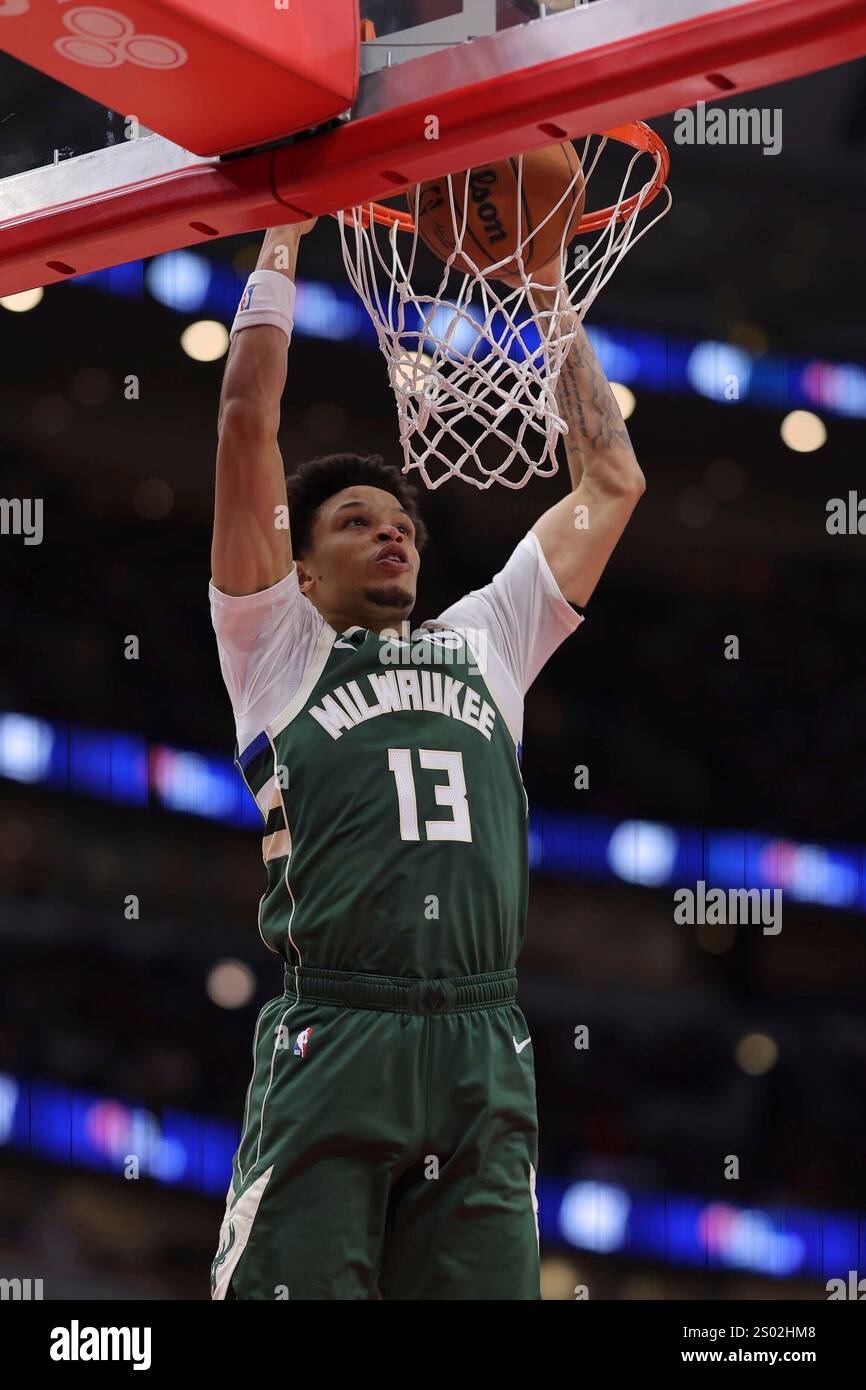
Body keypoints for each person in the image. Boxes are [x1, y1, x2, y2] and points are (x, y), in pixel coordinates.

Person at [209, 218, 644, 1300]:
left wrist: (545, 287)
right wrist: (280, 232)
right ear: (297, 568)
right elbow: (242, 421)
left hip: (482, 1041)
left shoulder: (484, 641)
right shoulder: (276, 650)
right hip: (338, 1032)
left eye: (399, 520)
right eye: (355, 522)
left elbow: (611, 480)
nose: (391, 532)